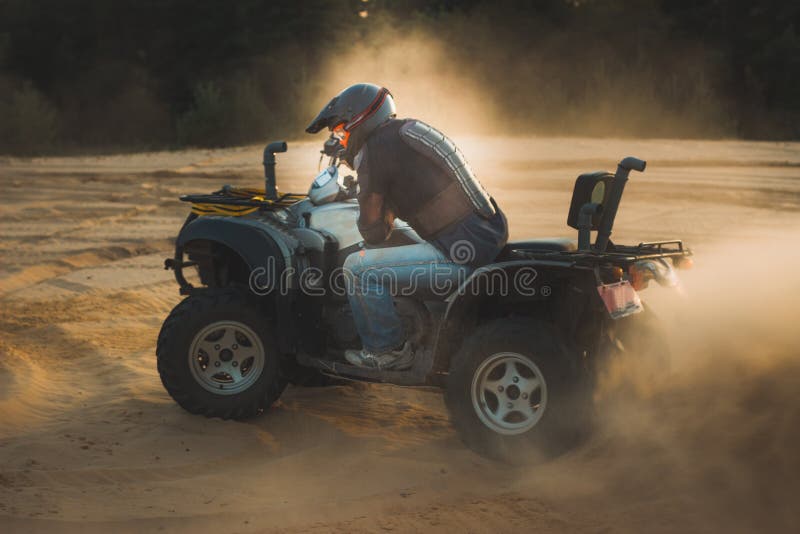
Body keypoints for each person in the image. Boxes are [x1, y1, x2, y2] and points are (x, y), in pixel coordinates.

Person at [306, 83, 508, 370]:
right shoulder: (403, 132)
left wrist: (375, 207)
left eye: (342, 130)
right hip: (484, 236)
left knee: (356, 268)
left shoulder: (375, 151)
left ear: (359, 119)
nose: (342, 138)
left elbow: (373, 231)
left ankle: (387, 350)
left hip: (462, 255)